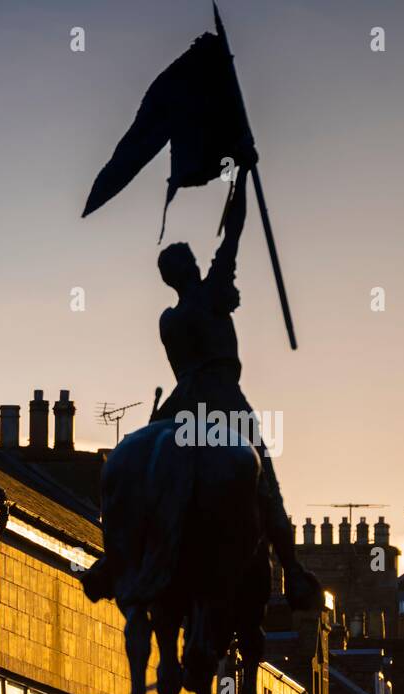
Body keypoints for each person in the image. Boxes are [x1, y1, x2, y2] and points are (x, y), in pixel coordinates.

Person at [148, 171, 318, 610]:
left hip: (181, 407)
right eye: (194, 262)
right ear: (191, 269)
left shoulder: (168, 320)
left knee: (147, 468)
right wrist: (243, 175)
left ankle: (121, 555)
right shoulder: (213, 293)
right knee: (266, 484)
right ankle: (293, 572)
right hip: (224, 401)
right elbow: (235, 231)